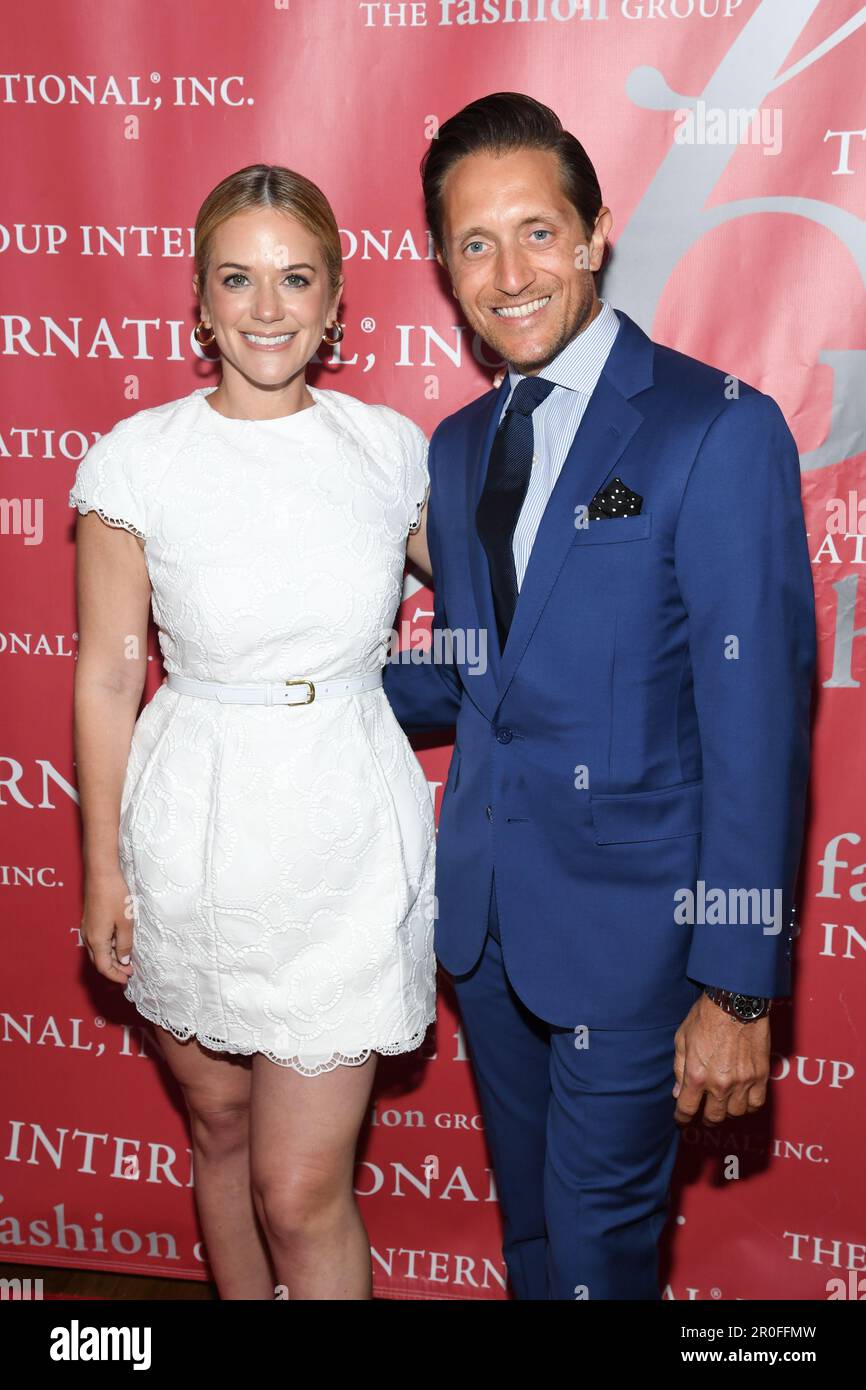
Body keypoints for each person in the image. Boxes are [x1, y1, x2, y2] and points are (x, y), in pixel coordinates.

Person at [383, 93, 816, 1300]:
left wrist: (735, 982)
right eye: (474, 243)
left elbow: (757, 731)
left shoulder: (712, 430)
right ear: (442, 266)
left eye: (535, 231)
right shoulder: (459, 445)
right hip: (488, 934)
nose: (508, 272)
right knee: (532, 1241)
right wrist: (285, 688)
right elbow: (480, 666)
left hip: (639, 946)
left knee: (596, 1263)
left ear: (594, 234)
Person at [69, 164, 436, 1301]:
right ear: (200, 299)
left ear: (335, 303)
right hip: (193, 827)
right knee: (220, 1127)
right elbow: (106, 675)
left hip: (340, 833)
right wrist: (102, 869)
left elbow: (512, 605)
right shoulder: (139, 458)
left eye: (295, 279)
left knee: (298, 1187)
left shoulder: (388, 450)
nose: (266, 309)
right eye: (238, 279)